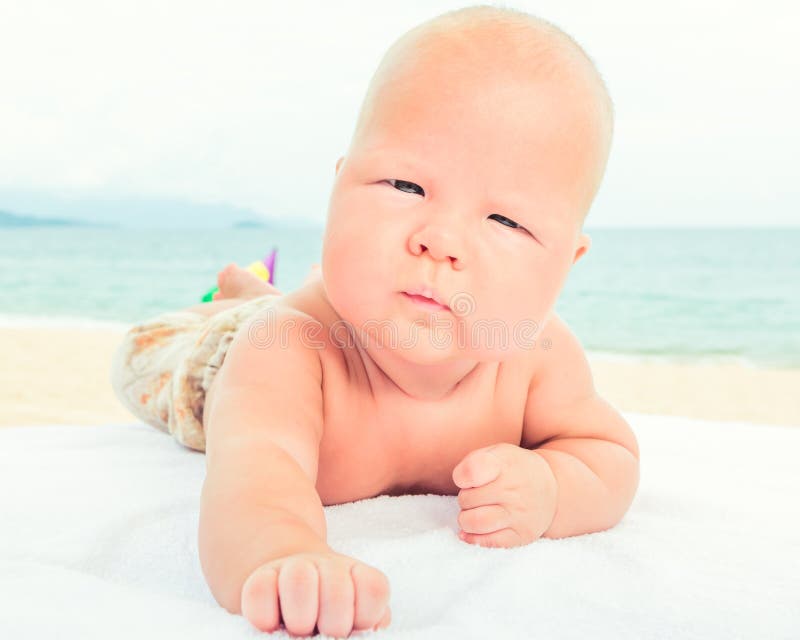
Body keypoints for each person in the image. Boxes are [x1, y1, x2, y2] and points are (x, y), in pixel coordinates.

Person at [110, 5, 640, 637]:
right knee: (158, 351)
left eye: (505, 221)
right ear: (340, 187)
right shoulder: (289, 354)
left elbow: (608, 456)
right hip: (217, 358)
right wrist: (282, 553)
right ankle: (241, 299)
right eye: (405, 186)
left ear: (565, 263)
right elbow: (254, 476)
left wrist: (552, 487)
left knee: (303, 299)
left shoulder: (536, 358)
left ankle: (259, 289)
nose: (440, 240)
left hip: (343, 300)